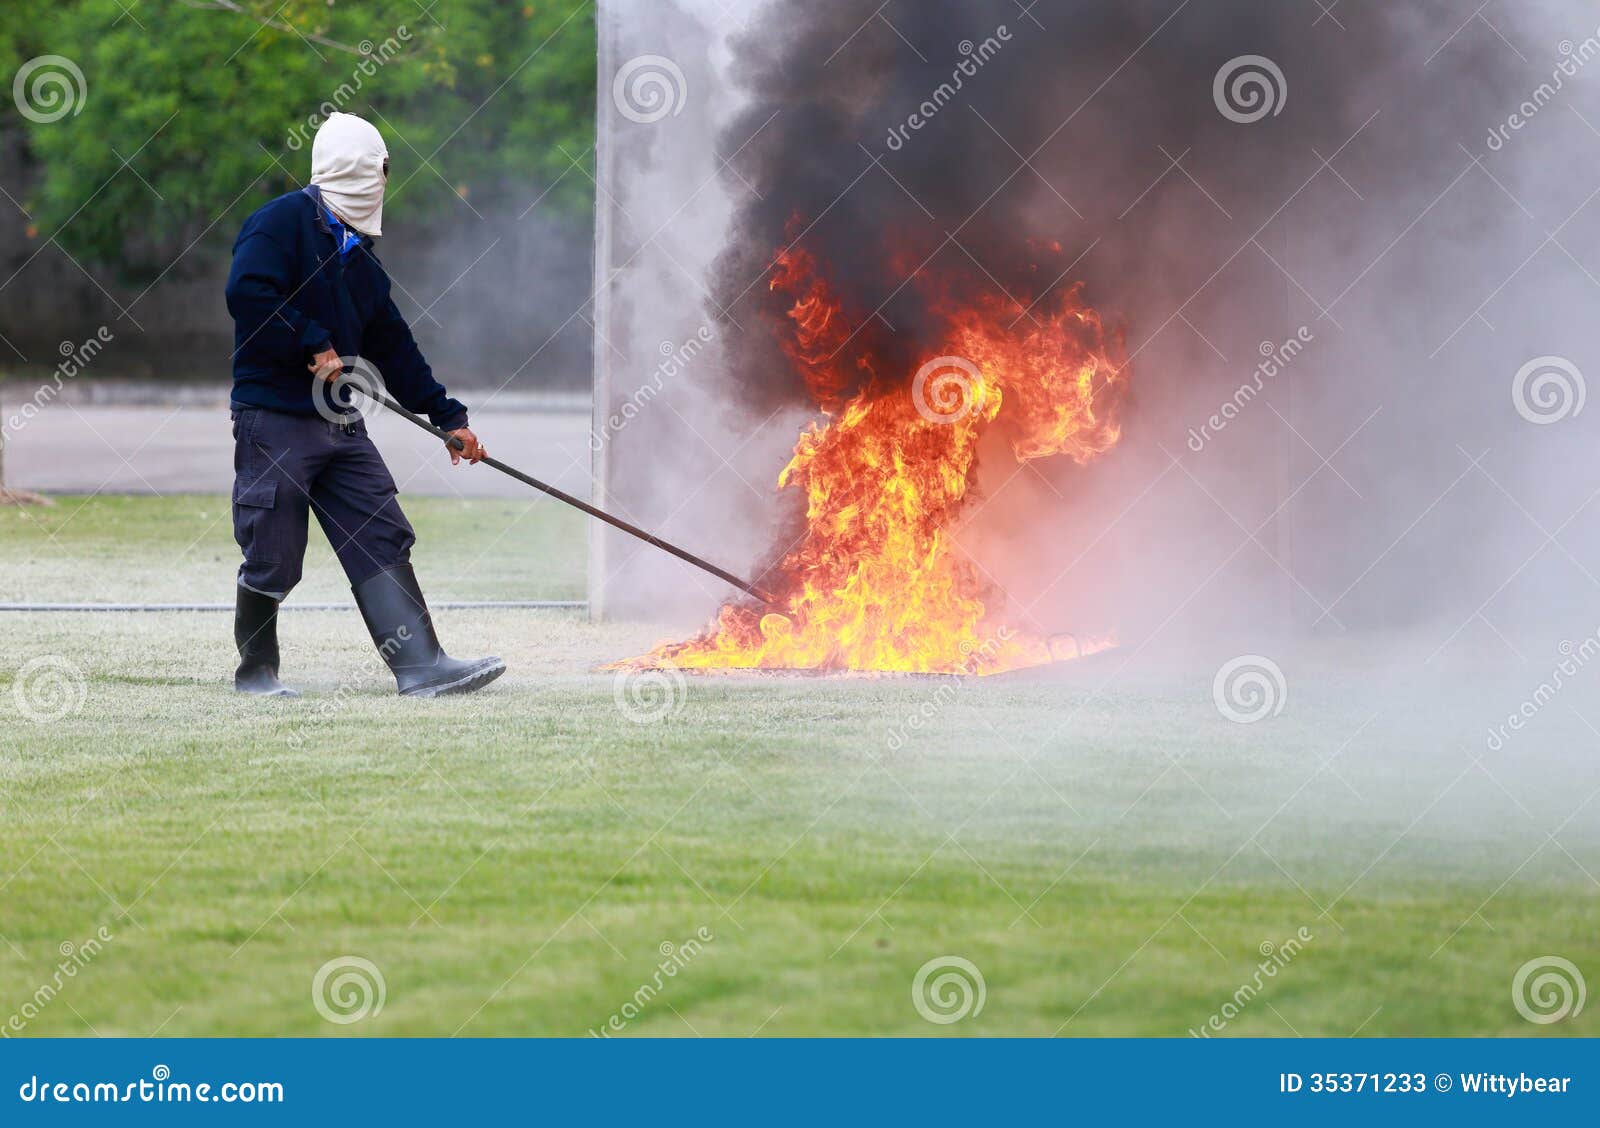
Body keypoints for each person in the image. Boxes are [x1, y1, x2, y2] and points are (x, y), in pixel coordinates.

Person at [223, 112, 504, 699]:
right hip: (273, 418)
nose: (384, 180)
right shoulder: (278, 224)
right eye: (381, 169)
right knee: (272, 552)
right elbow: (246, 292)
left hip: (337, 420)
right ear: (360, 171)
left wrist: (447, 417)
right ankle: (255, 672)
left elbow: (394, 346)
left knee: (378, 530)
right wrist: (311, 340)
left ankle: (422, 667)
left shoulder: (361, 257)